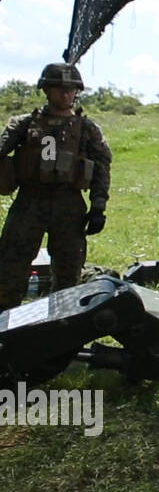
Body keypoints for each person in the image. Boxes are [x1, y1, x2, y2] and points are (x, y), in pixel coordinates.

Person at [0, 62, 112, 310]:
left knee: (68, 271)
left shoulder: (87, 129)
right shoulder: (23, 124)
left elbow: (102, 167)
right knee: (10, 267)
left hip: (68, 203)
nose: (66, 94)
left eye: (71, 90)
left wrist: (98, 207)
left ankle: (62, 325)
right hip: (30, 201)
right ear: (46, 91)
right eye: (60, 89)